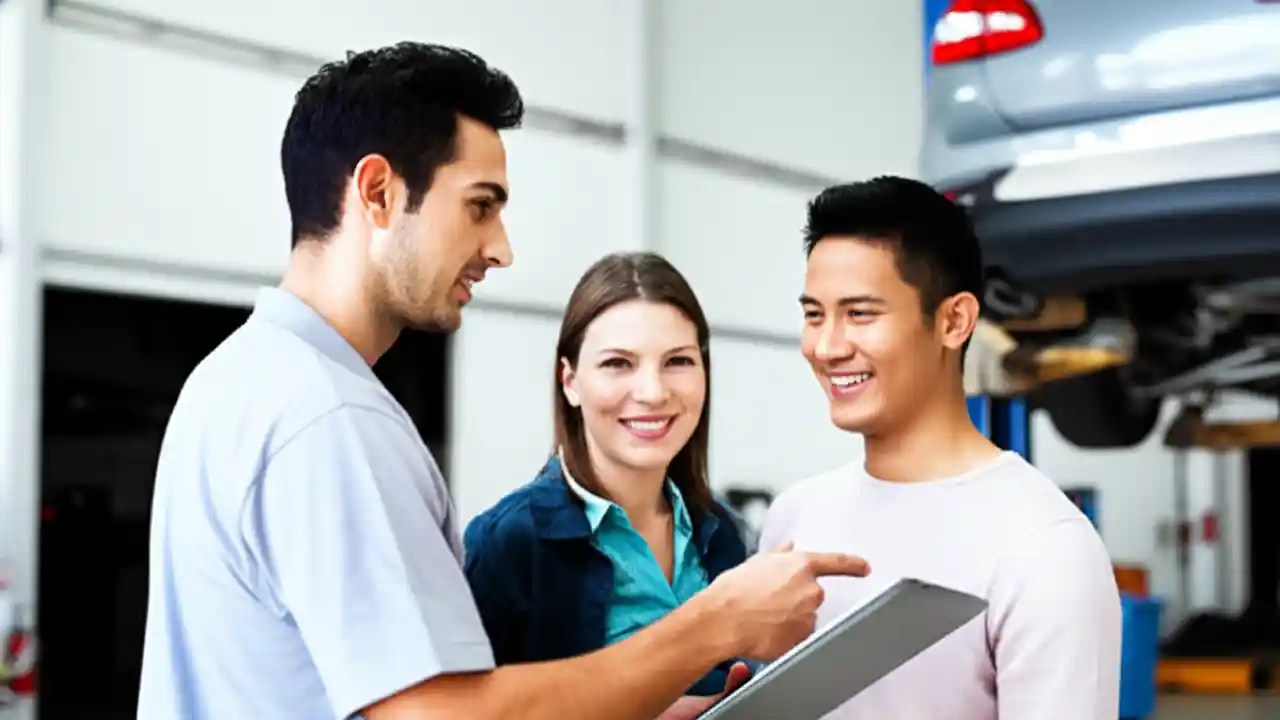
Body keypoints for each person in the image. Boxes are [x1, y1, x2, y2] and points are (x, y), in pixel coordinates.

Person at [136, 41, 871, 720]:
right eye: (480, 206)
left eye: (680, 361)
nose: (501, 249)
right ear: (378, 193)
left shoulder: (238, 380)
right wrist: (712, 627)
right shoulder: (329, 419)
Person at [758, 176, 1122, 719]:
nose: (827, 347)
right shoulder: (794, 519)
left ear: (954, 321)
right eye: (814, 315)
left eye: (860, 314)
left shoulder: (1045, 546)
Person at [463, 251, 751, 697]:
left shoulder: (723, 534)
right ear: (570, 381)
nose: (653, 392)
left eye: (678, 361)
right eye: (618, 363)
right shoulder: (509, 543)